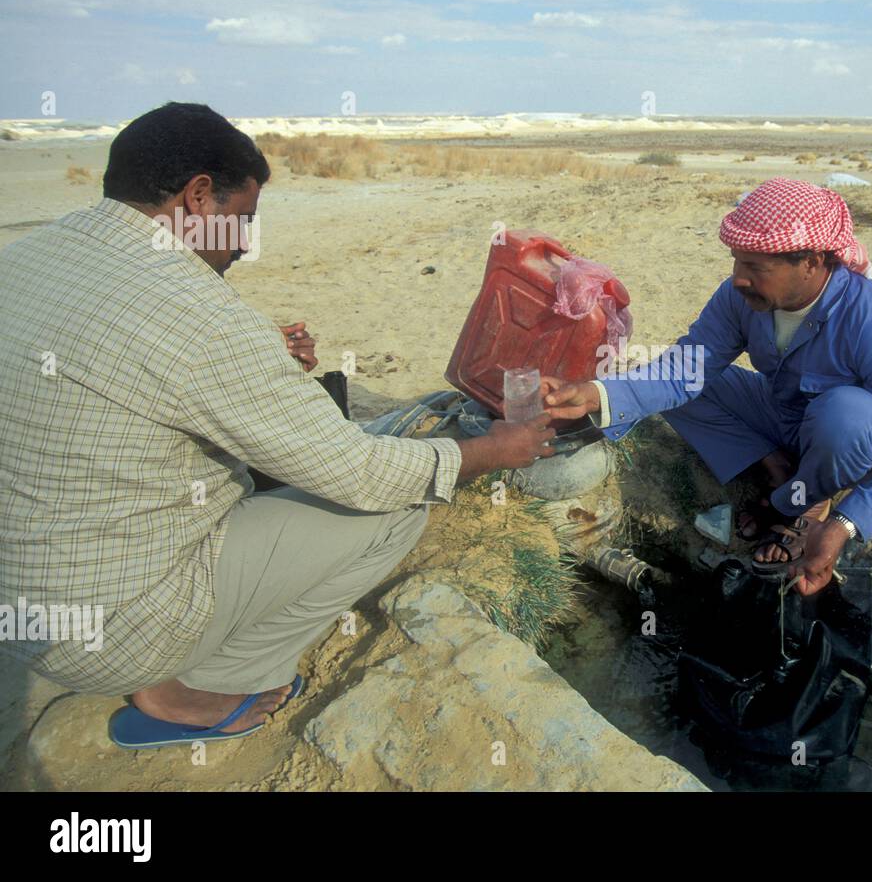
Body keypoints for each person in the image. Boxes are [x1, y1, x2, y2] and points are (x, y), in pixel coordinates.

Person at [0, 102, 554, 747]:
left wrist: (259, 355)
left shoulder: (30, 256)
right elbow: (363, 476)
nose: (243, 245)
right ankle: (202, 688)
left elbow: (118, 357)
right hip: (103, 633)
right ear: (199, 197)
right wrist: (491, 449)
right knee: (396, 508)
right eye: (242, 221)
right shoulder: (200, 318)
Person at [543, 178, 872, 596]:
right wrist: (595, 394)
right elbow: (685, 369)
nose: (738, 278)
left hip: (844, 436)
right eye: (737, 261)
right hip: (783, 415)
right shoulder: (740, 297)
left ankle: (804, 502)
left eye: (756, 267)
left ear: (811, 261)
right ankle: (774, 464)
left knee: (847, 415)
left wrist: (844, 524)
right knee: (681, 385)